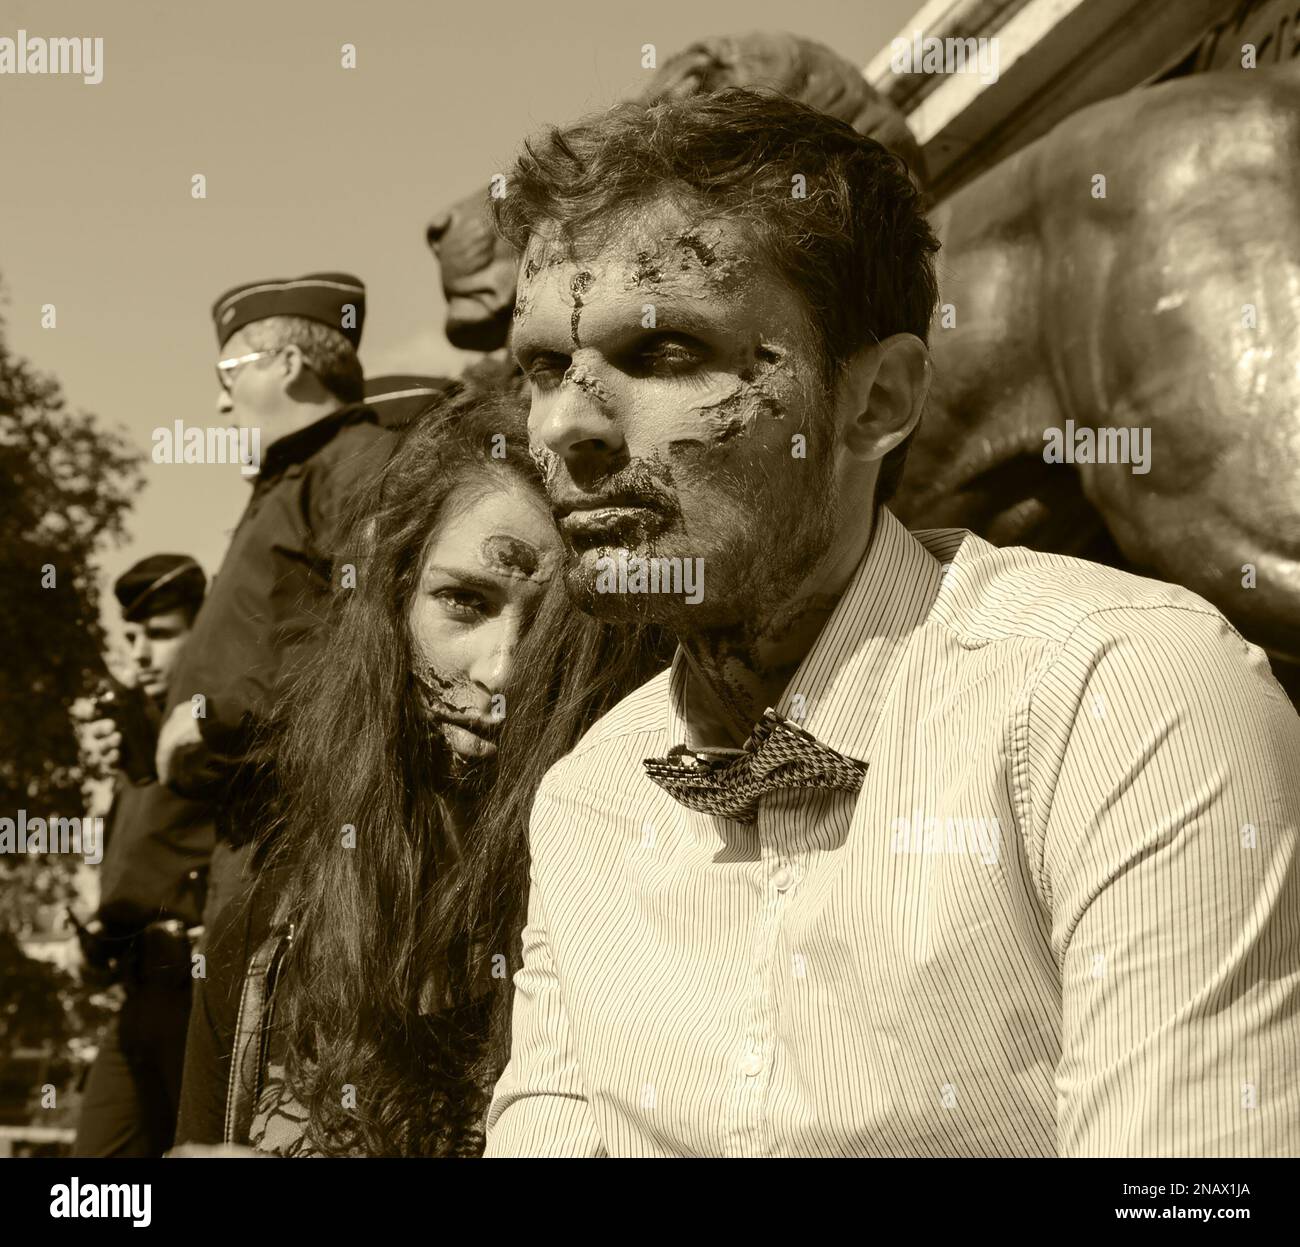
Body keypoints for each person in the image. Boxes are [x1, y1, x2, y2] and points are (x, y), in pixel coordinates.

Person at [484, 88, 1300, 1157]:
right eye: (544, 367)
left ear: (877, 401)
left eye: (667, 350)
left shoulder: (1120, 694)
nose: (566, 423)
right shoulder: (589, 796)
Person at [173, 387, 666, 1156]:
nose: (501, 668)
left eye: (552, 623)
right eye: (464, 600)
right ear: (394, 603)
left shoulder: (650, 917)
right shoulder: (269, 936)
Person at [156, 272, 397, 934]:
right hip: (257, 830)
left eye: (228, 373)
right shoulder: (291, 481)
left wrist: (214, 720)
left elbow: (373, 640)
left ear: (289, 364)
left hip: (305, 832)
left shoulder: (355, 462)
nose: (220, 401)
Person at [73, 554, 213, 1157]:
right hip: (135, 990)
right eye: (130, 637)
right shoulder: (130, 730)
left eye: (159, 635)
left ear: (202, 632)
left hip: (200, 994)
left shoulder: (223, 724)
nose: (140, 655)